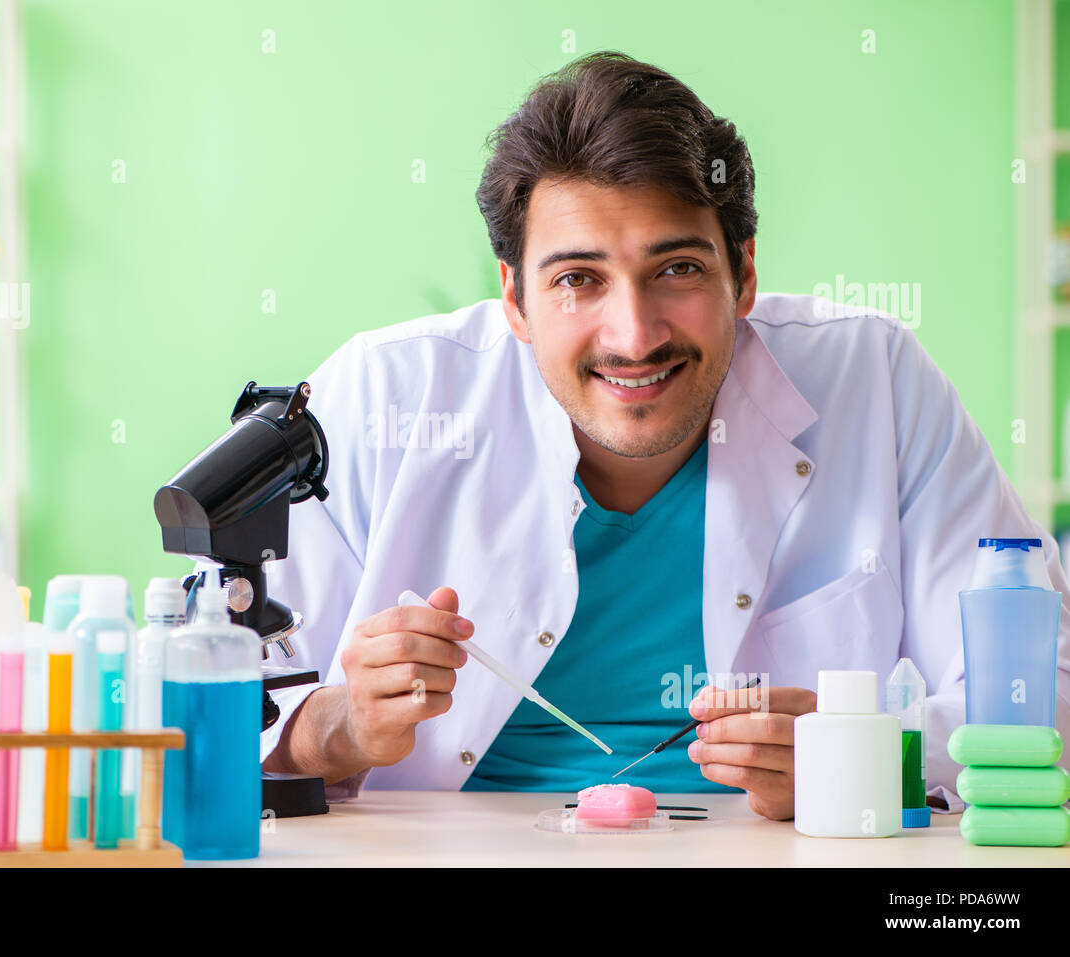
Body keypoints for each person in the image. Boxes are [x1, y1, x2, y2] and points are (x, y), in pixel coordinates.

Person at [247, 51, 1070, 820]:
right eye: (578, 279)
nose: (634, 336)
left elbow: (1045, 700)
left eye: (677, 269)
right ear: (514, 297)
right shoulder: (383, 398)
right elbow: (210, 707)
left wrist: (861, 758)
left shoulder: (876, 380)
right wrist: (340, 728)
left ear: (743, 273)